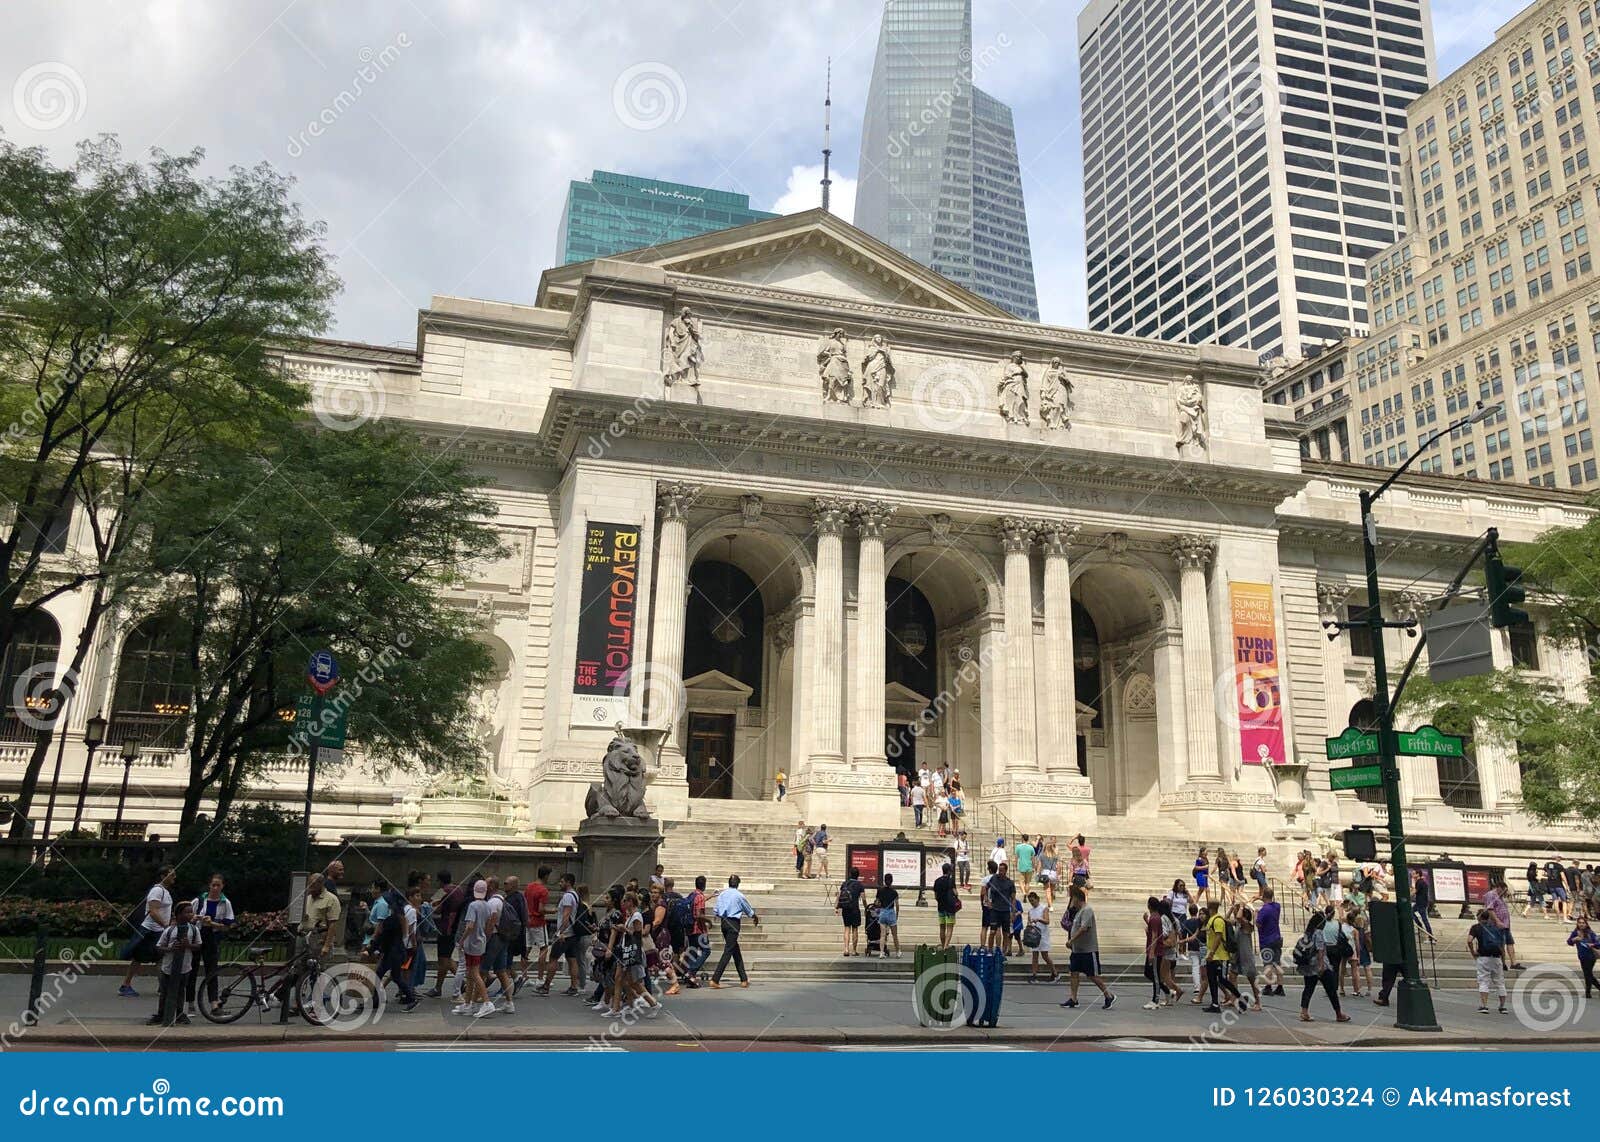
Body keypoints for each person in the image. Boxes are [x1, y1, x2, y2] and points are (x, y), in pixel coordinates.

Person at [119, 865, 176, 998]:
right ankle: (126, 985)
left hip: (156, 930)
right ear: (163, 876)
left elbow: (161, 910)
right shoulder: (157, 891)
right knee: (147, 957)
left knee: (157, 957)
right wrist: (165, 925)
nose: (174, 877)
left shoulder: (164, 891)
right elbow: (153, 911)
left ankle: (162, 987)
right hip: (151, 930)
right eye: (172, 874)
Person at [184, 873, 235, 1018]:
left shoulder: (226, 903)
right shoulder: (199, 900)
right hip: (197, 937)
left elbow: (227, 926)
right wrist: (194, 918)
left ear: (222, 886)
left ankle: (214, 1004)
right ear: (209, 885)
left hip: (212, 938)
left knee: (212, 971)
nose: (215, 888)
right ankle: (190, 1003)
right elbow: (186, 917)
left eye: (218, 885)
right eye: (213, 885)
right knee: (191, 969)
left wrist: (211, 923)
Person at [147, 900, 201, 1027]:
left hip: (185, 967)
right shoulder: (170, 931)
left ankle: (179, 1013)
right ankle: (161, 1014)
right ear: (177, 915)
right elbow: (159, 947)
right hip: (168, 968)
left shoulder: (194, 930)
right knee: (165, 993)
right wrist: (170, 949)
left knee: (181, 991)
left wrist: (189, 945)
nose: (190, 914)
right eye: (186, 912)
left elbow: (198, 945)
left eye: (191, 912)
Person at [1061, 886, 1114, 1009]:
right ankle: (1073, 998)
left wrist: (1072, 940)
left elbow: (1084, 928)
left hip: (1088, 950)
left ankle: (1108, 995)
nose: (1072, 902)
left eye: (1073, 899)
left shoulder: (1087, 910)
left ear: (1078, 899)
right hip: (1077, 950)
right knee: (1073, 972)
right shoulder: (1079, 911)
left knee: (1092, 975)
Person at [1294, 913, 1348, 1022]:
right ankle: (1338, 1013)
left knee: (1308, 988)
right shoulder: (1318, 932)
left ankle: (1304, 1012)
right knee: (1331, 989)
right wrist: (1321, 966)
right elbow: (1320, 950)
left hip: (1308, 966)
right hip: (1319, 966)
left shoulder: (1308, 933)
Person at [453, 880, 494, 1018]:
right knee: (470, 974)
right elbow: (489, 925)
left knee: (474, 974)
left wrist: (461, 940)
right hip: (481, 942)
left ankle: (487, 1003)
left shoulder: (473, 905)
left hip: (471, 943)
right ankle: (468, 1003)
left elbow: (469, 926)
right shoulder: (488, 906)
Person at [710, 874, 759, 988]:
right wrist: (754, 916)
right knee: (728, 950)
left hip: (724, 922)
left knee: (734, 949)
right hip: (734, 923)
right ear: (738, 884)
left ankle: (743, 979)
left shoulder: (722, 894)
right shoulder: (739, 896)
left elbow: (716, 910)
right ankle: (715, 979)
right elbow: (747, 909)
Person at [428, 870, 467, 998]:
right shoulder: (459, 889)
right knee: (447, 957)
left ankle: (438, 988)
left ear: (440, 880)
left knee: (443, 959)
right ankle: (462, 983)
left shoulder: (443, 891)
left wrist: (430, 905)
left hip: (445, 928)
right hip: (456, 926)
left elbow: (437, 908)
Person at [1202, 901, 1245, 1014]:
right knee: (1212, 980)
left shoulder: (1217, 920)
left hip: (1219, 956)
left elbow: (1218, 936)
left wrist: (1211, 952)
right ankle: (1215, 1003)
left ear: (1210, 907)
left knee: (1222, 980)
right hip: (1214, 955)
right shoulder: (1213, 919)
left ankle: (1240, 998)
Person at [1467, 908, 1508, 1014]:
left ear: (1479, 917)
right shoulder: (1496, 928)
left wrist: (1473, 952)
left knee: (1483, 981)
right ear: (1488, 917)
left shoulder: (1476, 928)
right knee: (1500, 982)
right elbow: (1502, 947)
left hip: (1483, 957)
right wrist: (1503, 962)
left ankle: (1484, 1006)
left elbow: (1469, 941)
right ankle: (1502, 1007)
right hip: (1497, 958)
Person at [298, 872, 342, 959]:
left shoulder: (331, 899)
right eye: (309, 884)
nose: (310, 886)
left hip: (319, 939)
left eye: (313, 884)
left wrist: (326, 946)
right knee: (300, 968)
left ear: (321, 884)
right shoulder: (308, 898)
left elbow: (332, 925)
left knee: (317, 968)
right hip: (304, 937)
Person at [1484, 876, 1524, 970]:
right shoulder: (1490, 895)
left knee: (1510, 943)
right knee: (1500, 944)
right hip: (1497, 925)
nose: (1505, 893)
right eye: (1504, 891)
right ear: (1498, 888)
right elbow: (1490, 909)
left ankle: (1513, 963)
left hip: (1505, 925)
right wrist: (1497, 921)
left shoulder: (1500, 896)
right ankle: (1502, 963)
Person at [523, 866, 552, 987]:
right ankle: (540, 978)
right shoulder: (543, 890)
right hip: (538, 922)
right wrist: (552, 911)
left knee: (527, 948)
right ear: (545, 876)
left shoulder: (529, 887)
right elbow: (540, 909)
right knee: (543, 948)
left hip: (528, 920)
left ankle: (524, 977)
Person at [680, 875, 712, 983]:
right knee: (706, 950)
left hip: (690, 928)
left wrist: (711, 896)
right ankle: (691, 972)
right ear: (704, 885)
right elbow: (698, 915)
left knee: (693, 951)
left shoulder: (692, 895)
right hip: (699, 929)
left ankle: (687, 973)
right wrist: (709, 921)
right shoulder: (700, 897)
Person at [1232, 903, 1262, 1011]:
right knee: (1232, 976)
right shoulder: (1238, 924)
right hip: (1237, 955)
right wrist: (1231, 909)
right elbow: (1226, 920)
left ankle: (1258, 1002)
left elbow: (1239, 917)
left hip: (1246, 955)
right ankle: (1234, 998)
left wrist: (1241, 907)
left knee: (1252, 979)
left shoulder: (1247, 925)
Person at [1256, 887, 1284, 997]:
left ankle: (1268, 986)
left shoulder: (1264, 910)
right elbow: (1271, 901)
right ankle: (1280, 987)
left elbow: (1258, 924)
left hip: (1266, 940)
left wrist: (1256, 914)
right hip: (1277, 937)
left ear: (1263, 896)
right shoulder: (1277, 907)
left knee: (1268, 963)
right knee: (1277, 962)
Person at [1025, 891, 1058, 982]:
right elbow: (1028, 922)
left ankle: (1055, 973)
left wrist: (1038, 919)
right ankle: (1034, 975)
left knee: (1045, 956)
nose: (1032, 903)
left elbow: (1047, 921)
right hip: (1034, 936)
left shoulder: (1044, 908)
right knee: (1034, 955)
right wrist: (1030, 924)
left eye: (1033, 900)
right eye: (1030, 901)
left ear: (1037, 899)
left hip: (1043, 935)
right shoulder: (1030, 911)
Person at [986, 861, 1015, 952]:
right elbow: (985, 888)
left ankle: (1003, 952)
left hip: (1005, 910)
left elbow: (1013, 898)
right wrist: (987, 901)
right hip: (995, 909)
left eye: (1002, 870)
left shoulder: (1010, 883)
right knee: (992, 932)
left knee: (1005, 933)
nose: (1000, 872)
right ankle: (990, 950)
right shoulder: (994, 878)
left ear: (1006, 871)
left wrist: (1012, 912)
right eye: (999, 870)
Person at [1567, 915, 1600, 998]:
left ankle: (1587, 993)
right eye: (1579, 923)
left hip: (1591, 956)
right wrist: (1574, 939)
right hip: (1582, 956)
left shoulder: (1590, 932)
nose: (1581, 924)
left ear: (1586, 924)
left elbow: (1598, 943)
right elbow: (1569, 942)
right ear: (1577, 924)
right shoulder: (1575, 932)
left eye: (1583, 923)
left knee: (1587, 974)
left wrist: (1592, 944)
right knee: (1588, 974)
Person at [836, 867, 867, 955]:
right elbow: (863, 898)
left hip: (845, 908)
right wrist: (866, 907)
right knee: (855, 929)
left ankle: (846, 949)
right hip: (855, 909)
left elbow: (839, 896)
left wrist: (837, 907)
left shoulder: (845, 883)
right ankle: (854, 950)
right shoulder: (860, 885)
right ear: (858, 875)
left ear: (850, 874)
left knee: (846, 928)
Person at [933, 862, 960, 949]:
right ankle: (946, 946)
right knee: (949, 927)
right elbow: (955, 893)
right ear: (949, 871)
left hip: (940, 906)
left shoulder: (937, 881)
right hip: (950, 907)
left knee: (942, 927)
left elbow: (936, 896)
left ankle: (943, 943)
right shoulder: (950, 880)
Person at [875, 874, 901, 958]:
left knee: (882, 935)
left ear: (884, 880)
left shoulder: (880, 891)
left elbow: (877, 902)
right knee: (894, 935)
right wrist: (896, 915)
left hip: (882, 912)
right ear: (892, 881)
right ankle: (898, 952)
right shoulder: (894, 892)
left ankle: (881, 952)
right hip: (891, 912)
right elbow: (897, 905)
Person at [1411, 869, 1433, 935]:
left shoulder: (1419, 882)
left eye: (1414, 873)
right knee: (1411, 912)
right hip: (1420, 903)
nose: (1412, 875)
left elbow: (1414, 892)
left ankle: (1430, 936)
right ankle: (1420, 927)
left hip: (1421, 903)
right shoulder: (1421, 881)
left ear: (1418, 874)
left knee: (1424, 919)